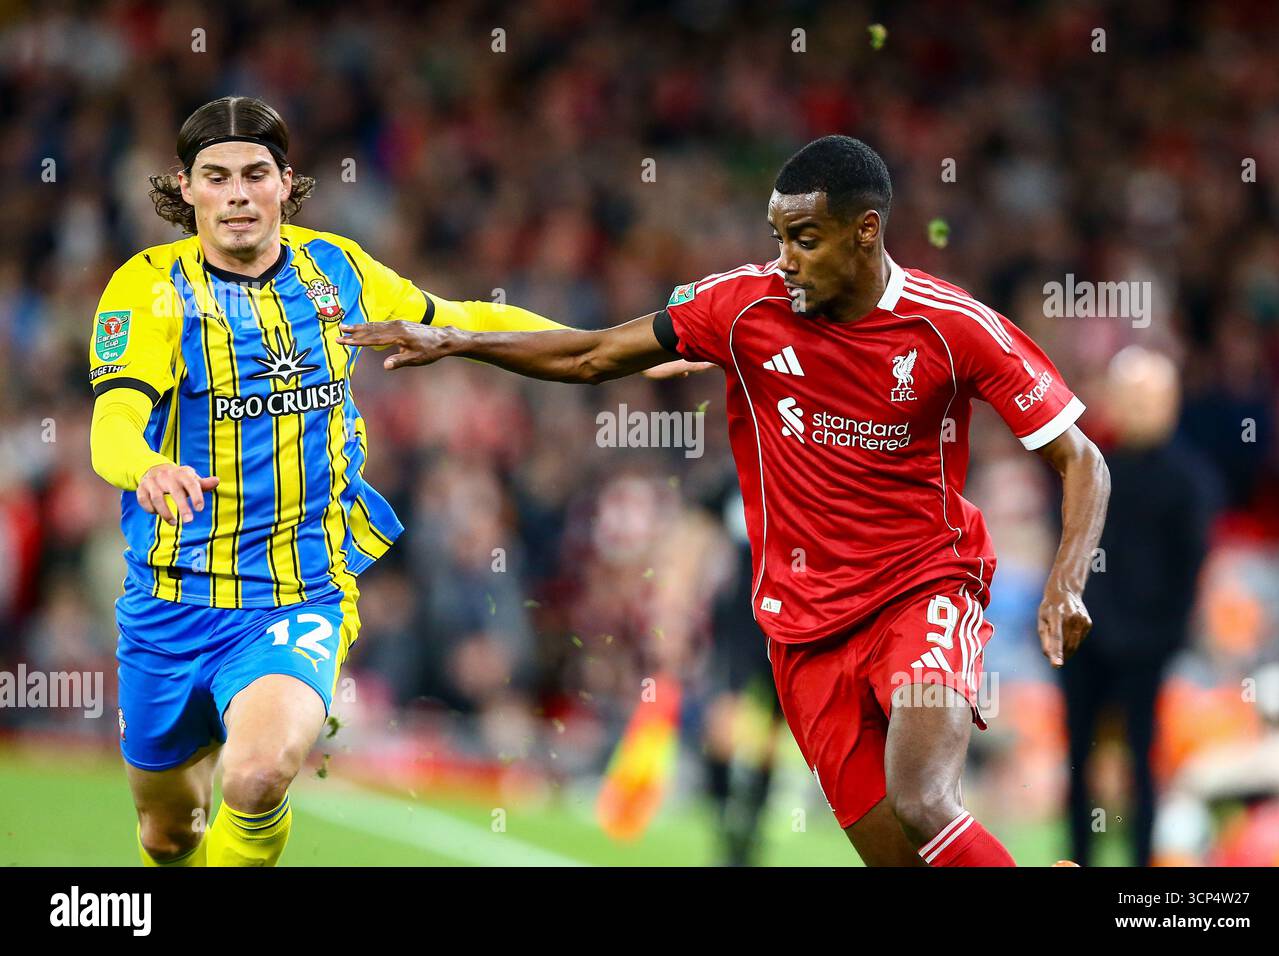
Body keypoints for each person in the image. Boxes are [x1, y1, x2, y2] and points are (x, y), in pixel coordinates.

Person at [339, 134, 1111, 866]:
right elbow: (591, 353)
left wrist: (1067, 577)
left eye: (804, 238)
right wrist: (460, 339)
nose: (786, 260)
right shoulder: (745, 308)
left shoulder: (951, 328)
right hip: (803, 630)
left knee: (923, 800)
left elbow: (1082, 459)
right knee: (898, 854)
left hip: (922, 590)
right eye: (778, 237)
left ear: (865, 231)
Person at [88, 96, 572, 866]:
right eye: (217, 177)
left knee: (256, 777)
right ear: (185, 188)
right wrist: (147, 466)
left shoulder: (337, 270)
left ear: (288, 182)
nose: (238, 194)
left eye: (256, 174)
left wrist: (622, 345)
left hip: (299, 589)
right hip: (170, 598)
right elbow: (111, 423)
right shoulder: (147, 289)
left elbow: (467, 318)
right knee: (168, 832)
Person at [1063, 346, 1216, 866]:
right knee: (1078, 758)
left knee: (1142, 762)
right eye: (1130, 396)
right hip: (1085, 639)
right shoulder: (1090, 469)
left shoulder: (1189, 480)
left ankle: (1142, 863)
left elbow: (1188, 572)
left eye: (1151, 397)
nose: (1140, 408)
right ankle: (1078, 858)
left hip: (1146, 646)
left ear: (1170, 403)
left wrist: (1159, 636)